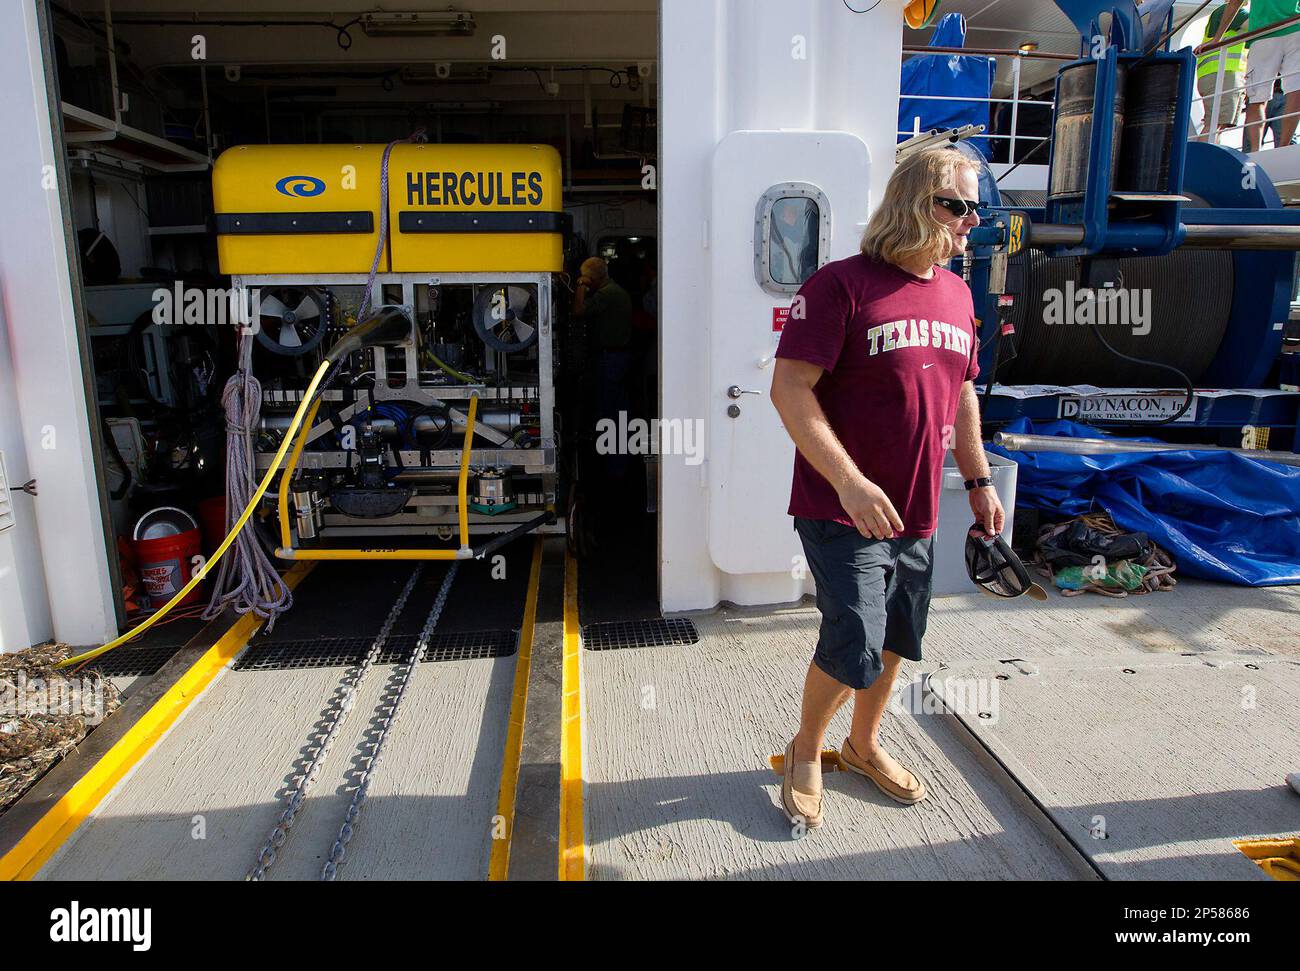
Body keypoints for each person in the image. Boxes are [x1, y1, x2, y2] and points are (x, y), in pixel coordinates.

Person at [769, 147, 1004, 830]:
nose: (969, 222)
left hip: (918, 506)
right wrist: (848, 481)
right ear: (915, 203)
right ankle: (806, 748)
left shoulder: (958, 294)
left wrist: (980, 477)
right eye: (957, 206)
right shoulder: (840, 287)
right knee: (856, 639)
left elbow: (961, 391)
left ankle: (863, 743)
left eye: (973, 208)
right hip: (840, 507)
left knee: (900, 632)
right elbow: (788, 389)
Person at [573, 256, 634, 490]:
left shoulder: (607, 295)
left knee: (610, 413)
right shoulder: (616, 292)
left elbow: (578, 311)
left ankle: (613, 471)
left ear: (593, 277)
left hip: (610, 359)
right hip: (616, 358)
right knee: (616, 410)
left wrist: (579, 287)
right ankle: (616, 466)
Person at [1207, 0, 1300, 152]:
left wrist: (1218, 38)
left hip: (1263, 33)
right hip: (1295, 27)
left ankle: (1256, 151)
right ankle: (1284, 147)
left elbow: (1235, 2)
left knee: (1257, 98)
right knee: (1295, 90)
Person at [1195, 2, 1249, 143]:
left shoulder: (1220, 12)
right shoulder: (1235, 12)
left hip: (1214, 73)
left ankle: (1209, 156)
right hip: (1223, 73)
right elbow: (1257, 25)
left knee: (1218, 124)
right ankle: (1204, 157)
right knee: (1214, 124)